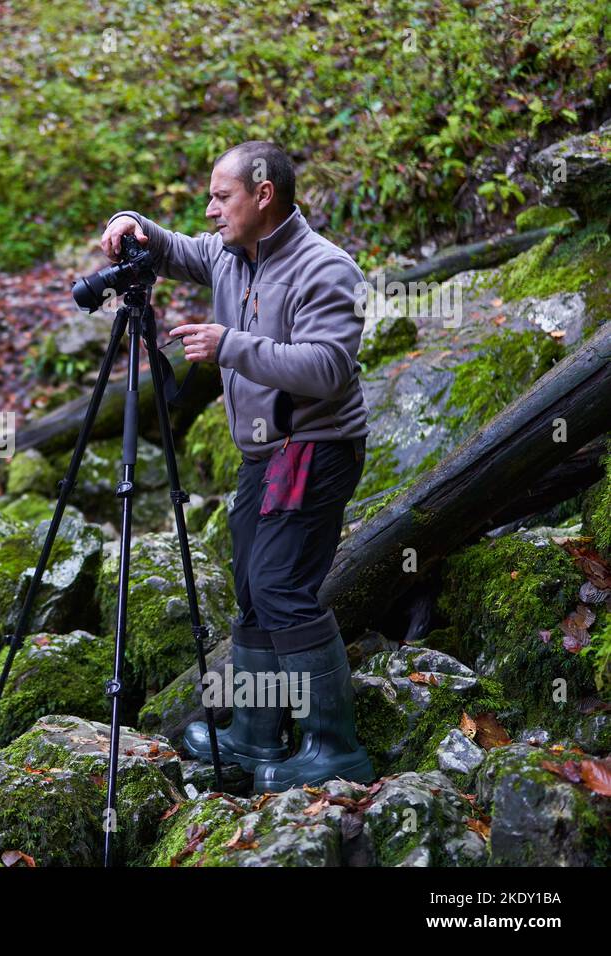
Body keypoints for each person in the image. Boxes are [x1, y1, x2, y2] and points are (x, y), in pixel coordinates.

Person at [100, 141, 375, 793]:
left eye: (221, 196)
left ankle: (335, 748)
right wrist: (129, 222)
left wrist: (232, 345)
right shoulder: (228, 254)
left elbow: (328, 369)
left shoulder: (324, 269)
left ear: (263, 195)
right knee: (252, 588)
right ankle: (255, 735)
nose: (211, 208)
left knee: (280, 585)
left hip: (316, 443)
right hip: (264, 453)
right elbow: (172, 248)